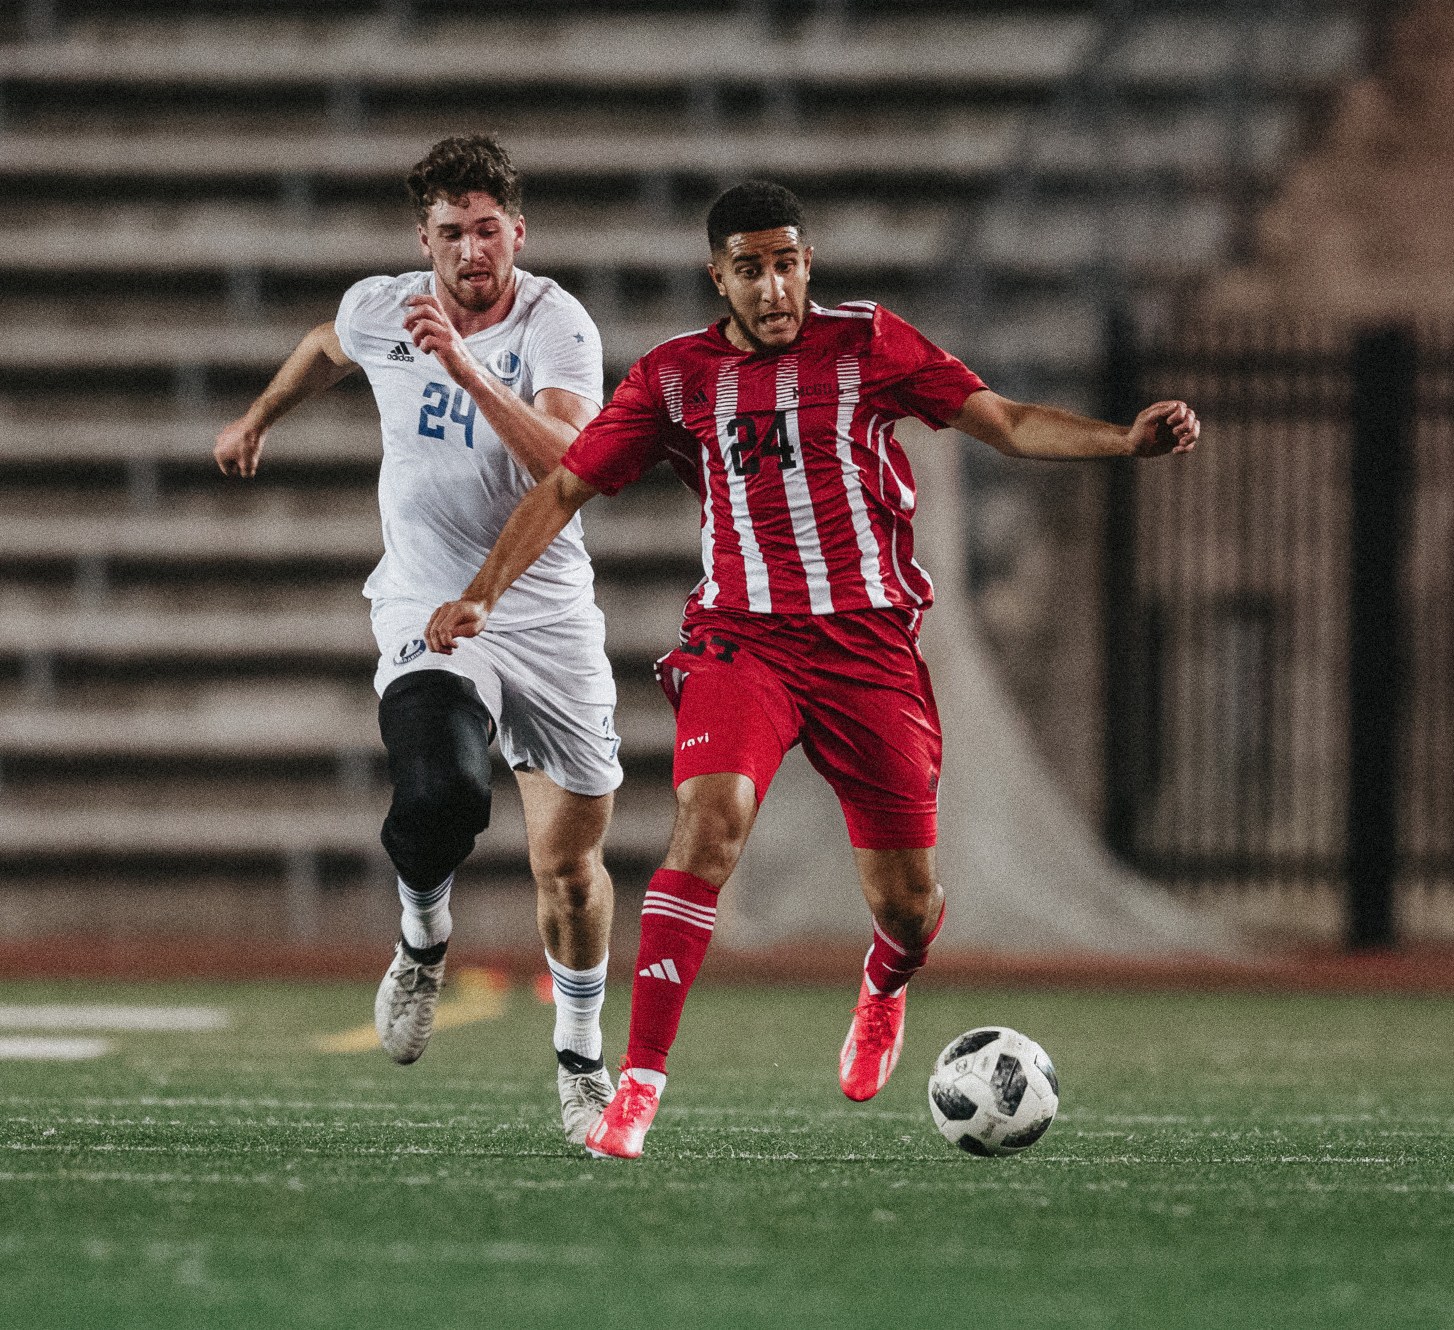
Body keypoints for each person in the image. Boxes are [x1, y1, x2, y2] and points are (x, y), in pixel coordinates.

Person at [424, 181, 1199, 1159]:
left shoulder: (869, 343)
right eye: (749, 269)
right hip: (741, 641)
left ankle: (885, 980)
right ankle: (638, 1087)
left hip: (869, 652)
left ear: (807, 262)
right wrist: (483, 592)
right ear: (718, 277)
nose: (773, 286)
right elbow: (567, 484)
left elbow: (1003, 421)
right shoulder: (675, 376)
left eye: (786, 263)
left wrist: (1122, 440)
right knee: (707, 825)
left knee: (907, 904)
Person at [213, 135, 622, 1143]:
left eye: (487, 230)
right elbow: (326, 343)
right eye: (451, 232)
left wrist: (466, 369)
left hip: (545, 610)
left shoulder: (556, 324)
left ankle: (579, 1057)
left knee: (569, 870)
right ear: (423, 240)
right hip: (428, 603)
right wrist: (259, 416)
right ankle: (422, 937)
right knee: (442, 789)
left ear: (517, 232)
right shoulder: (384, 308)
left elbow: (569, 467)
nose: (471, 250)